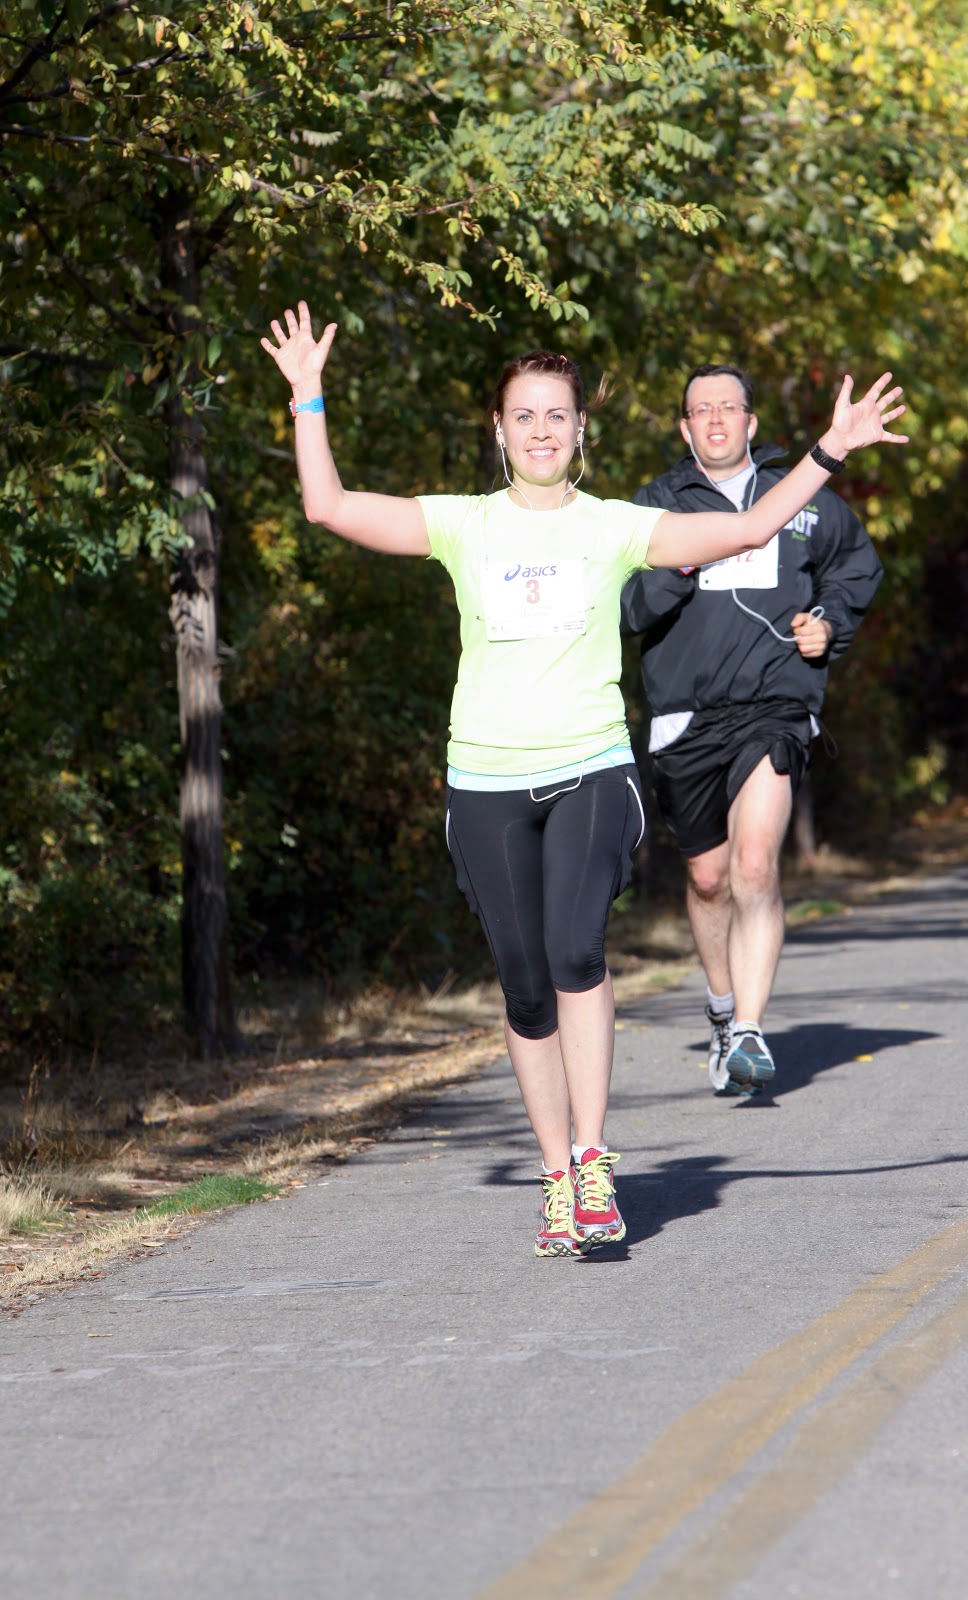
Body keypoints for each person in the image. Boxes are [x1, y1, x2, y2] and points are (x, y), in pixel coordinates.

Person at [261, 304, 906, 1255]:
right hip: (483, 779)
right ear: (499, 431)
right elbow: (329, 507)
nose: (540, 430)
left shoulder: (616, 526)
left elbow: (751, 526)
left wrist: (827, 450)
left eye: (556, 415)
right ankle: (555, 1169)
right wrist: (307, 396)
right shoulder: (462, 525)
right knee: (524, 987)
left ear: (580, 431)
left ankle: (595, 1163)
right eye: (523, 415)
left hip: (590, 769)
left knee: (575, 955)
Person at [620, 363, 885, 1098]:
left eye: (727, 408)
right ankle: (719, 1009)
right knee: (707, 880)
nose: (713, 420)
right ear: (684, 428)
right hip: (685, 713)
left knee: (756, 865)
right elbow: (625, 607)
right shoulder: (655, 506)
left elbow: (856, 567)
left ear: (749, 423)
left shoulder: (798, 497)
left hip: (774, 705)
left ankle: (749, 1029)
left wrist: (825, 626)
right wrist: (685, 559)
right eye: (699, 410)